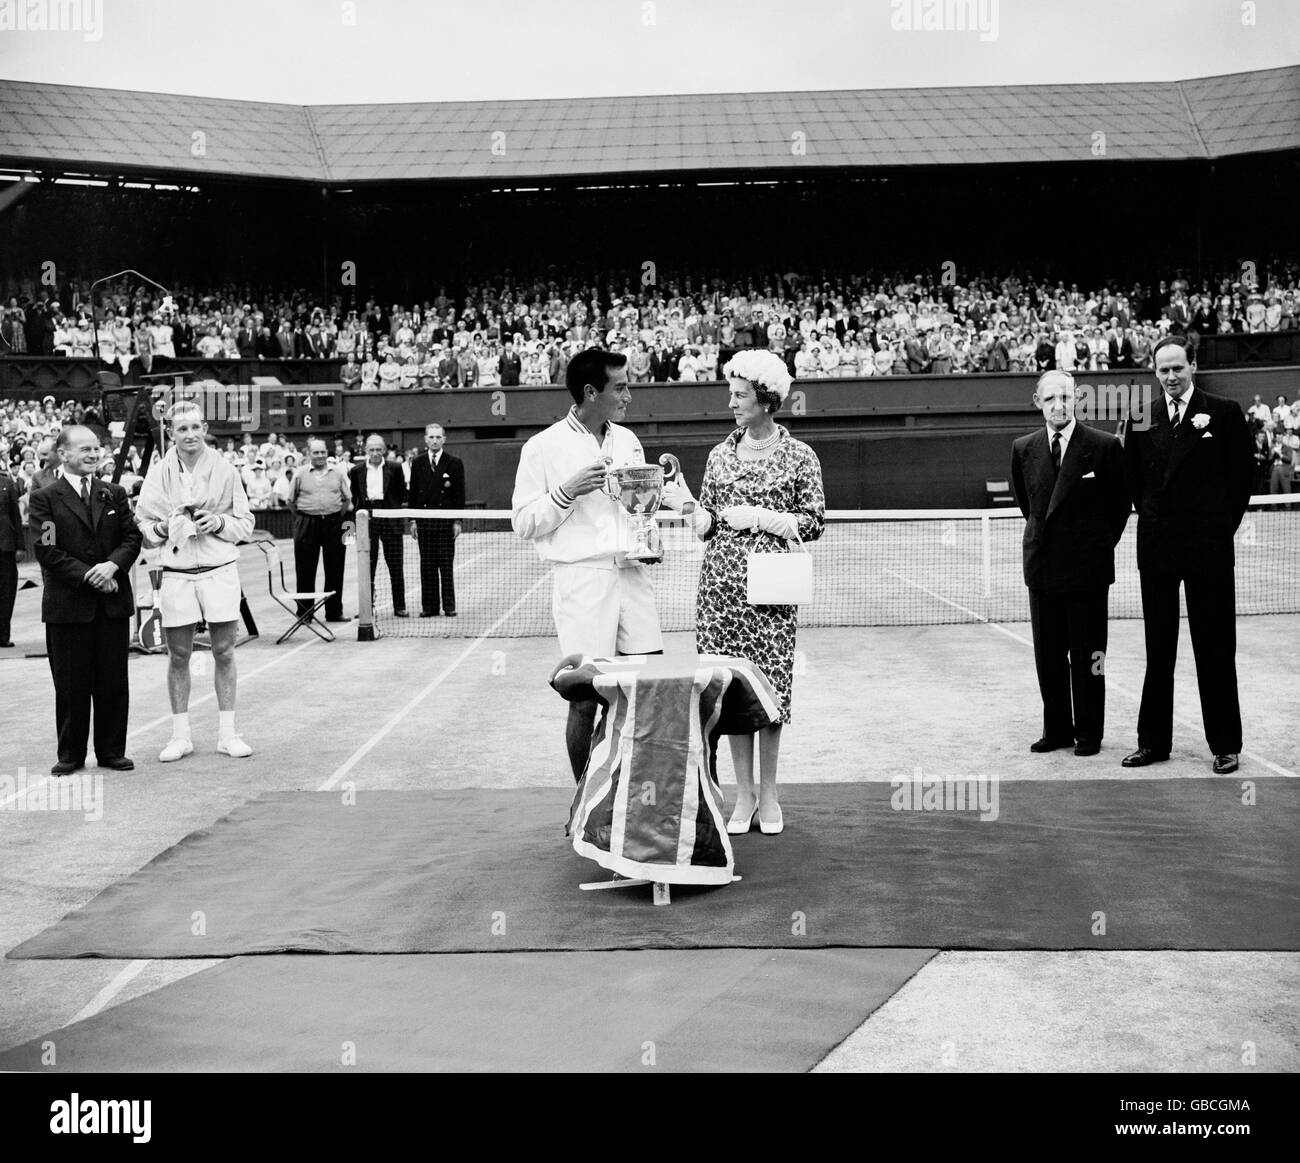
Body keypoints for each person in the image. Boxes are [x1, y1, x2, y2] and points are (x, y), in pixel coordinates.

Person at [661, 349, 825, 835]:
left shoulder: (800, 456)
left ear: (767, 399)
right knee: (729, 691)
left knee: (771, 692)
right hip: (720, 594)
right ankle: (744, 796)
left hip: (772, 592)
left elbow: (814, 521)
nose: (732, 403)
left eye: (740, 395)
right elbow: (706, 526)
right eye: (730, 395)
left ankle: (770, 793)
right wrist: (683, 500)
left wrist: (763, 518)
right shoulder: (718, 455)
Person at [511, 347, 663, 781]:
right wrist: (566, 491)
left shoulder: (628, 440)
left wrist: (650, 532)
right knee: (585, 699)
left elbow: (640, 507)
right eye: (622, 387)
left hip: (632, 577)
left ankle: (638, 798)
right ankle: (584, 802)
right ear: (591, 392)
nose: (629, 395)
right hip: (582, 581)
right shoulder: (542, 447)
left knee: (646, 690)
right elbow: (523, 521)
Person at [1121, 337, 1254, 774]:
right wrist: (1155, 516)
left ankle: (1225, 745)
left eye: (1178, 368)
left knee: (1215, 649)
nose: (1172, 377)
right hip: (1157, 551)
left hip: (1209, 551)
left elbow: (1241, 479)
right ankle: (1153, 743)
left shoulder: (1225, 412)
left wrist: (1218, 529)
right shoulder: (1141, 415)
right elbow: (1132, 478)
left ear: (1192, 366)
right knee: (1158, 650)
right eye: (1163, 370)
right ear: (1154, 372)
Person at [1010, 371, 1131, 756]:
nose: (1059, 405)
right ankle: (1057, 729)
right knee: (1048, 657)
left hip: (1088, 571)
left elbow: (1119, 507)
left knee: (1089, 657)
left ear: (1077, 397)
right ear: (1037, 401)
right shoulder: (1023, 448)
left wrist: (1093, 546)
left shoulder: (1105, 445)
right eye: (1050, 399)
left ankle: (1089, 733)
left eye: (1065, 397)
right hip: (1043, 569)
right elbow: (1029, 507)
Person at [135, 401, 256, 761]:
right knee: (179, 655)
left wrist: (217, 523)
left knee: (223, 651)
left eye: (195, 427)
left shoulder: (226, 470)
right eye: (181, 428)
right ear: (171, 432)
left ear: (204, 428)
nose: (189, 435)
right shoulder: (158, 473)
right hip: (176, 573)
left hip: (220, 570)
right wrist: (163, 526)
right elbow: (143, 528)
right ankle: (180, 736)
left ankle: (227, 735)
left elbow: (244, 524)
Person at [29, 425, 142, 774]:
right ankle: (71, 754)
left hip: (111, 607)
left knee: (112, 682)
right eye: (85, 449)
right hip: (68, 608)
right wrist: (92, 576)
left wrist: (112, 566)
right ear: (64, 454)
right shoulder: (44, 498)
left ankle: (111, 751)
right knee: (70, 684)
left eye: (96, 449)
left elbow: (131, 538)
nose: (94, 455)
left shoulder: (114, 493)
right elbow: (47, 550)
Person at [287, 437, 352, 624]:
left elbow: (347, 499)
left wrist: (336, 516)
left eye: (323, 452)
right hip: (307, 523)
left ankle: (334, 612)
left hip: (333, 523)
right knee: (305, 570)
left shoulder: (338, 473)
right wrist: (303, 517)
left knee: (335, 568)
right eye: (316, 452)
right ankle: (305, 613)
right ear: (309, 454)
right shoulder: (300, 474)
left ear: (327, 453)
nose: (320, 456)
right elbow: (290, 501)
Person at [407, 423, 464, 618]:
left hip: (445, 523)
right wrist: (412, 520)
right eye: (431, 437)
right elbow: (413, 493)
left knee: (446, 565)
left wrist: (457, 520)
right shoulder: (417, 462)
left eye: (438, 437)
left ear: (444, 439)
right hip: (424, 522)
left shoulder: (454, 462)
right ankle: (429, 607)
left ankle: (449, 606)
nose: (434, 440)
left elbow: (459, 494)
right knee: (427, 565)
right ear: (425, 439)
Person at [350, 433, 409, 617]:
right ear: (366, 451)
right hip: (367, 519)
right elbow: (355, 496)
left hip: (390, 518)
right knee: (367, 565)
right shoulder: (356, 471)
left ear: (384, 450)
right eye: (372, 450)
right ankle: (367, 607)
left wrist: (390, 510)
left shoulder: (396, 468)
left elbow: (400, 494)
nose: (375, 453)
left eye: (378, 449)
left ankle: (399, 606)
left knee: (396, 565)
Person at [0, 463, 20, 647]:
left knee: (6, 592)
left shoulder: (6, 483)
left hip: (5, 546)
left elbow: (16, 515)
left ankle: (3, 635)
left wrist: (20, 546)